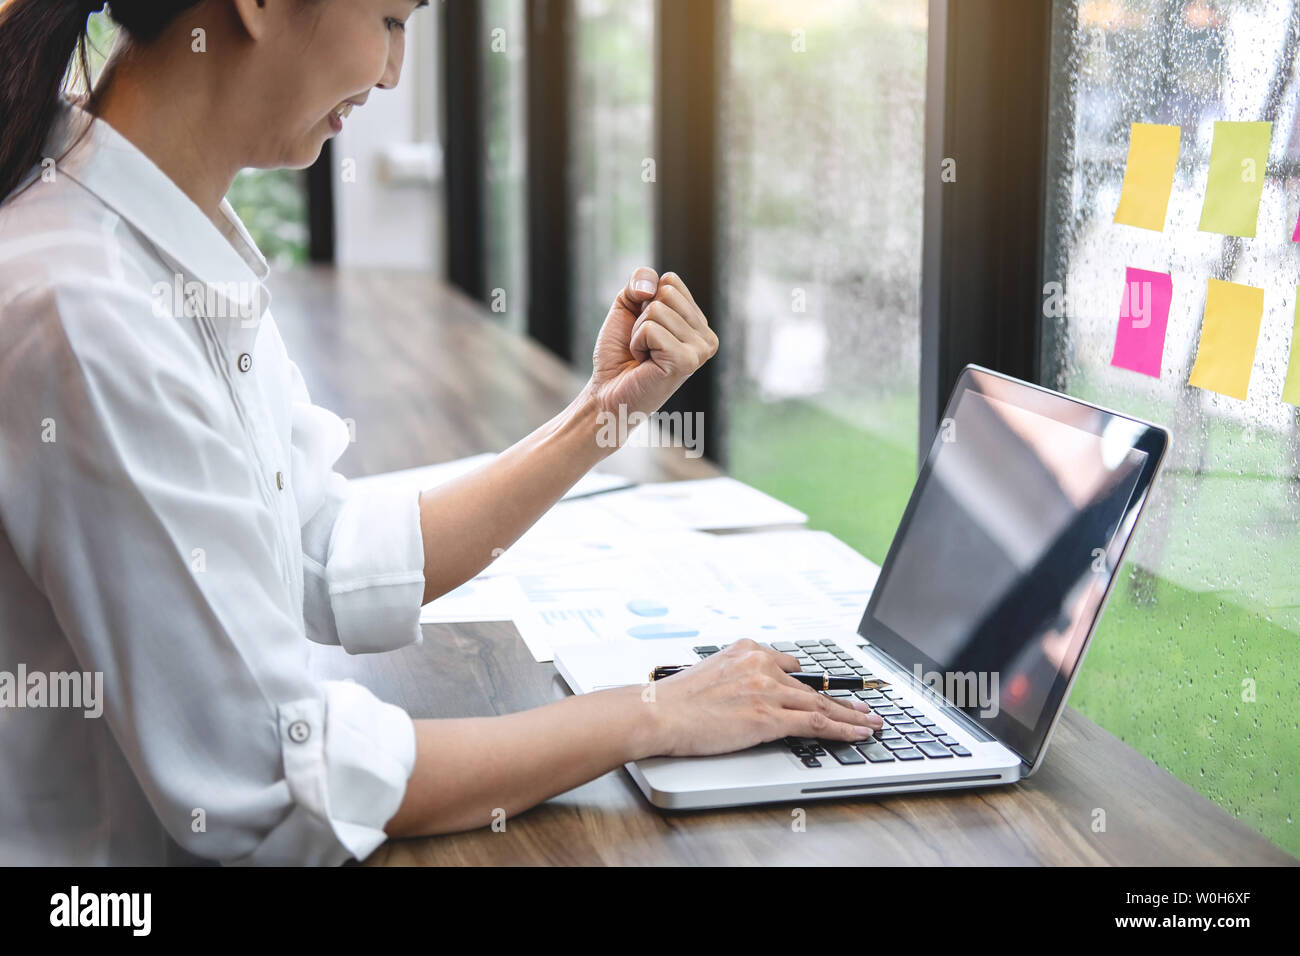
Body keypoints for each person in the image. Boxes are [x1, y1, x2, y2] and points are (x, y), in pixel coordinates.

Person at [0, 0, 882, 865]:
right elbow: (271, 774)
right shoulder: (88, 314)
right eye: (390, 21)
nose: (392, 72)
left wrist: (601, 415)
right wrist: (654, 715)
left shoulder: (159, 243)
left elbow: (322, 547)